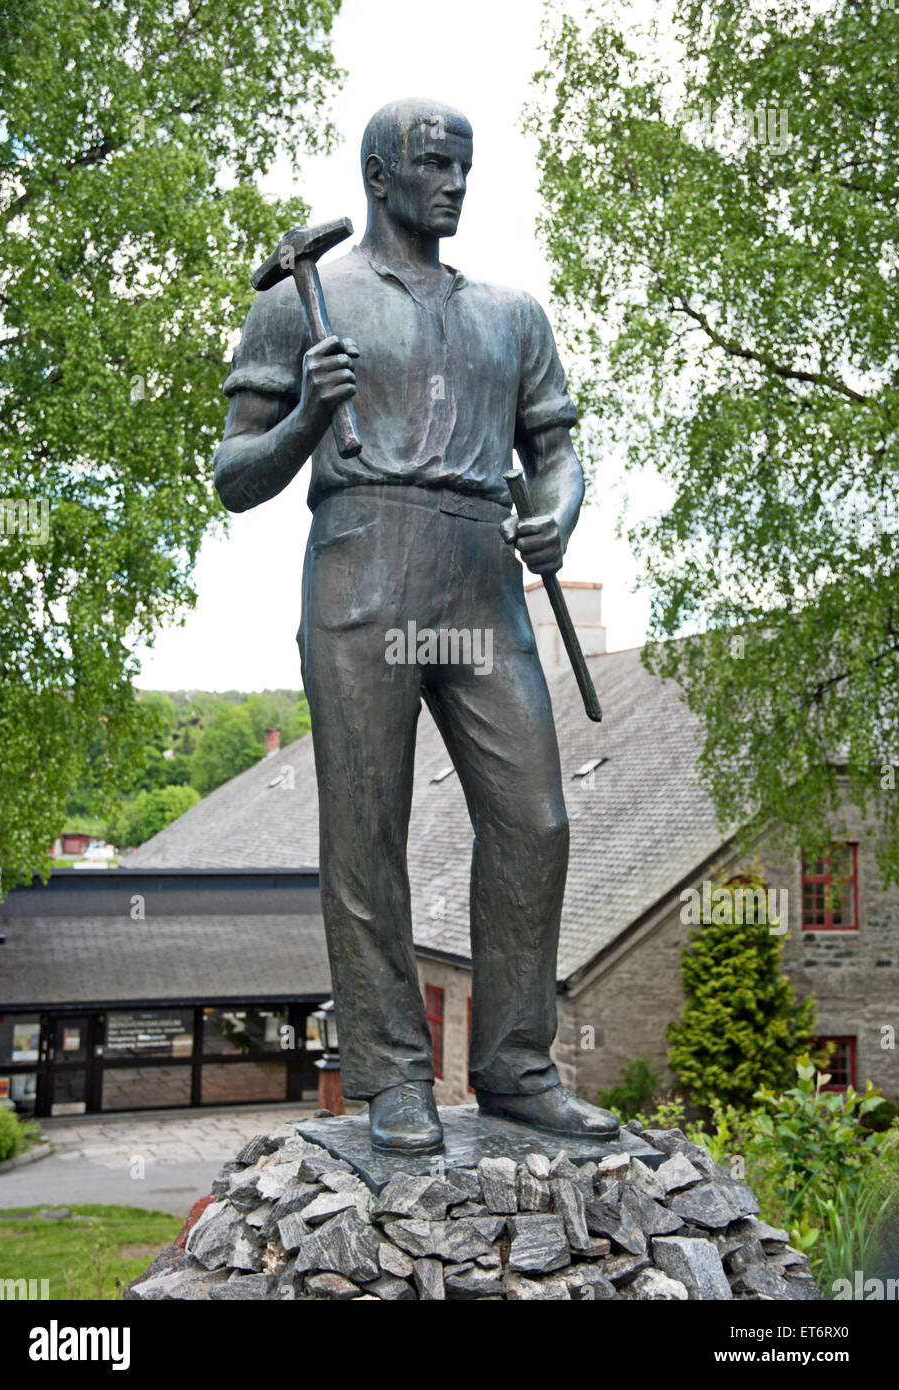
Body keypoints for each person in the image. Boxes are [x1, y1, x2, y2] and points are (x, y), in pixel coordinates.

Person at [214, 98, 619, 1154]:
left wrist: (555, 510)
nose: (453, 183)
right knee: (364, 836)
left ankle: (516, 1067)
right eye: (433, 165)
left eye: (463, 165)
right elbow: (233, 476)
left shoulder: (511, 313)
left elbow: (555, 449)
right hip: (360, 565)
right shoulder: (307, 303)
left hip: (479, 574)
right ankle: (391, 1072)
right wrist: (305, 413)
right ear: (379, 175)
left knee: (533, 819)